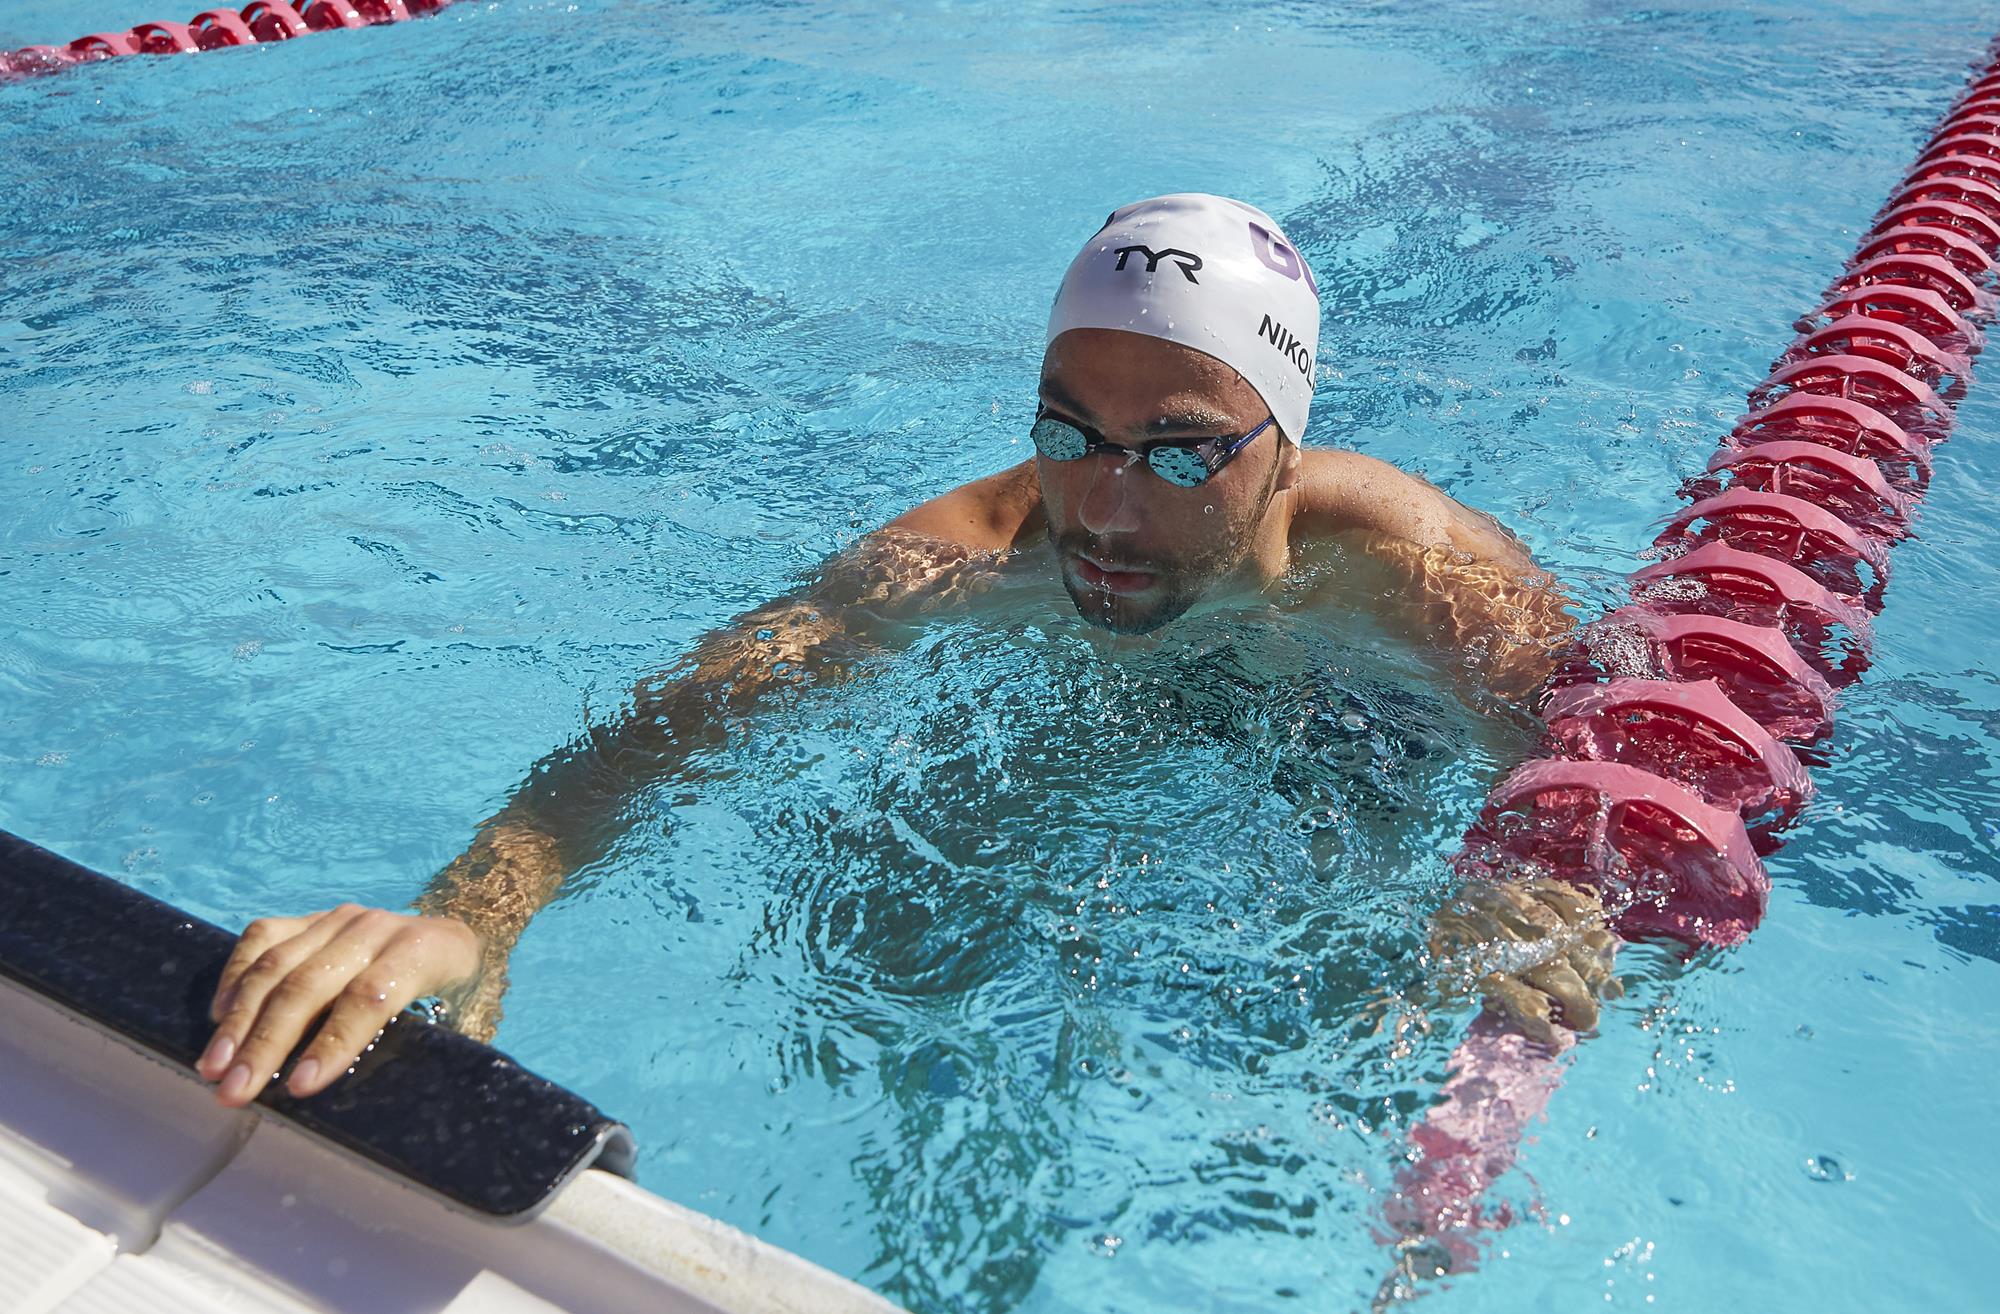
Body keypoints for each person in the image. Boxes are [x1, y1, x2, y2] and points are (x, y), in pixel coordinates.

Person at [196, 193, 1618, 1109]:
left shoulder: (1420, 576)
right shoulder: (954, 563)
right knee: (886, 941)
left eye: (1178, 452)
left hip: (1354, 720)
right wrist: (477, 908)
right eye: (1067, 433)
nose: (1104, 509)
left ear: (1287, 448)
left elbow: (1607, 762)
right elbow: (655, 735)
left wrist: (1542, 888)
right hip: (1097, 729)